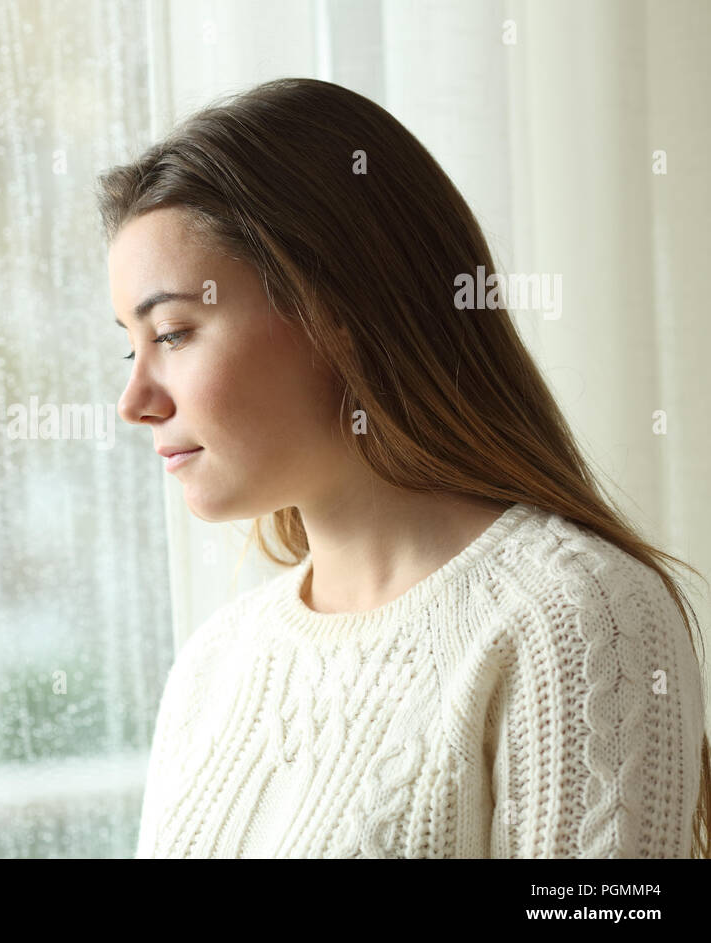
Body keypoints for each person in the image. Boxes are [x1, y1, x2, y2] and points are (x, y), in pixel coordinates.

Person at [99, 77, 708, 858]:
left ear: (340, 312)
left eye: (175, 333)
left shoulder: (576, 617)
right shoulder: (216, 666)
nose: (134, 399)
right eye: (130, 344)